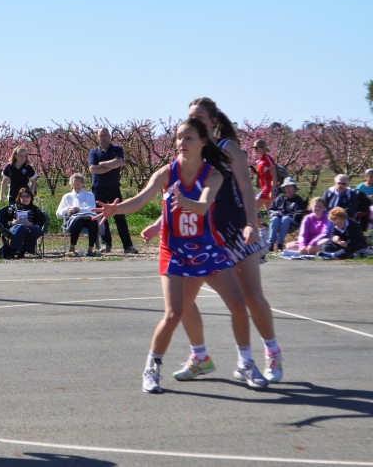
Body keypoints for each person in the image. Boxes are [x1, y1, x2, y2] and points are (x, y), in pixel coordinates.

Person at [94, 118, 263, 394]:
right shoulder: (166, 173)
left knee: (237, 303)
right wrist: (116, 209)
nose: (182, 143)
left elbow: (204, 205)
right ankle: (151, 369)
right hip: (174, 249)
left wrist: (186, 202)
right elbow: (140, 200)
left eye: (188, 138)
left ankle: (246, 362)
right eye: (179, 138)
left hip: (207, 246)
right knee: (173, 313)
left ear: (203, 142)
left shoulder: (213, 175)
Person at [142, 98, 282, 384]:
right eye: (190, 117)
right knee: (182, 304)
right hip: (204, 237)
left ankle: (271, 353)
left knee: (251, 298)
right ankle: (200, 357)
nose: (195, 121)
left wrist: (251, 224)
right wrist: (159, 223)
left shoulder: (228, 149)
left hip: (236, 232)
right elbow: (180, 195)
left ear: (213, 121)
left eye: (200, 117)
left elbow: (247, 189)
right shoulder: (191, 151)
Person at [89, 127, 137, 254]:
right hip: (98, 188)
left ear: (109, 136)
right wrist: (111, 165)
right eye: (101, 135)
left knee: (120, 216)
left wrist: (101, 164)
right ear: (97, 137)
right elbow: (93, 169)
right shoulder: (93, 152)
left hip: (114, 188)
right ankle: (106, 244)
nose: (104, 137)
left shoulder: (117, 149)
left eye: (106, 135)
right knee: (102, 218)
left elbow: (118, 162)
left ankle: (128, 246)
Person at [56, 173, 100, 257]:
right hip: (74, 219)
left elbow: (93, 209)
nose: (76, 186)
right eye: (74, 183)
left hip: (88, 217)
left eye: (79, 183)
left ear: (83, 184)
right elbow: (58, 213)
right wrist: (68, 209)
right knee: (78, 221)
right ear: (71, 184)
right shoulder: (67, 196)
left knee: (93, 222)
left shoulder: (90, 195)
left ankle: (90, 248)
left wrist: (80, 209)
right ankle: (72, 247)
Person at [266, 177, 307, 251]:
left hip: (292, 223)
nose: (288, 189)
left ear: (295, 189)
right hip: (278, 221)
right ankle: (271, 244)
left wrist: (284, 215)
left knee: (285, 219)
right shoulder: (280, 198)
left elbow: (299, 213)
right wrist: (272, 213)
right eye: (286, 187)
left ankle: (280, 244)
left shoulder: (299, 200)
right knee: (275, 219)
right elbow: (270, 209)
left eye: (290, 187)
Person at [5, 187, 45, 258]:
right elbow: (5, 222)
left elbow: (40, 224)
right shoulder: (13, 208)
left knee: (35, 228)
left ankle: (23, 250)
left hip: (30, 229)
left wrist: (31, 224)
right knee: (21, 227)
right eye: (22, 196)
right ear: (19, 197)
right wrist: (12, 223)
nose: (25, 198)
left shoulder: (36, 210)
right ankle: (12, 250)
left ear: (31, 197)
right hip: (15, 228)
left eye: (27, 196)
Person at [253, 139, 278, 212]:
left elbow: (274, 176)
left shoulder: (267, 158)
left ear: (261, 147)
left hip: (268, 189)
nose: (254, 150)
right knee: (270, 213)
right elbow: (262, 174)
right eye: (254, 148)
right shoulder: (259, 160)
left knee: (252, 208)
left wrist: (272, 191)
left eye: (256, 148)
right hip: (264, 189)